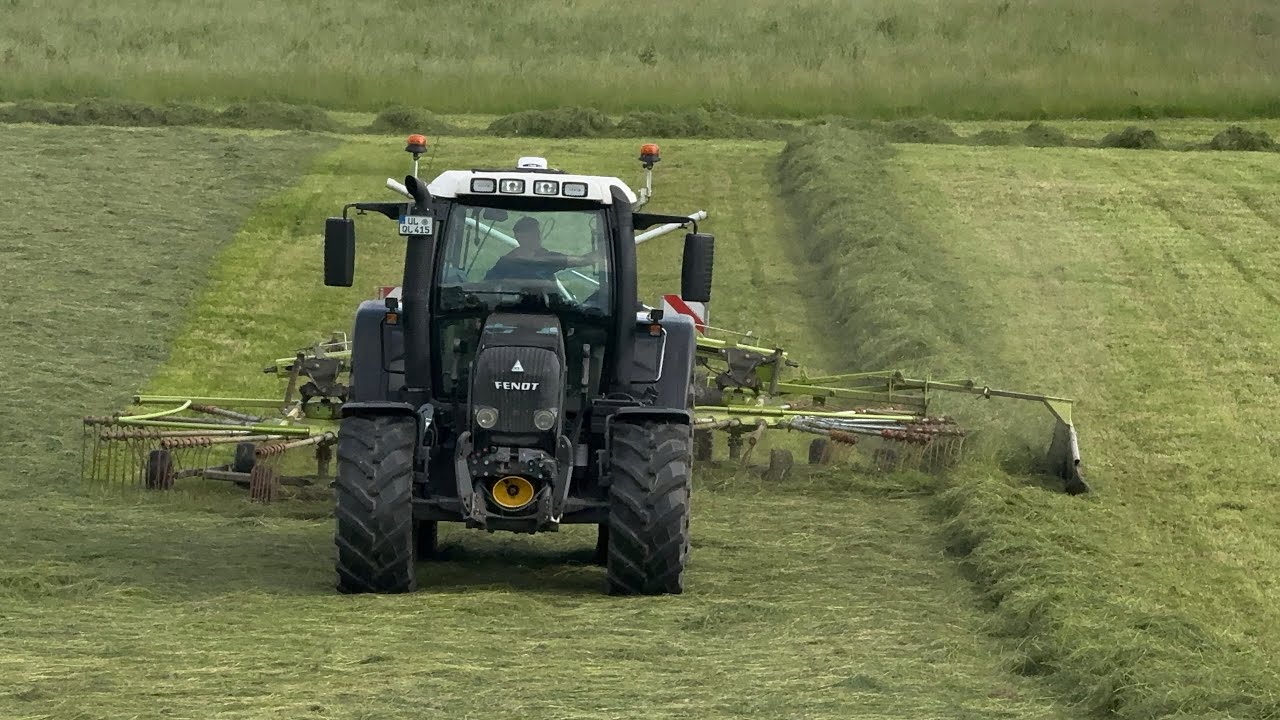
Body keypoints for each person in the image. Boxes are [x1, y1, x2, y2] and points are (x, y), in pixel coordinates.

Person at [485, 216, 595, 283]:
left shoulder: (548, 258)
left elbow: (581, 261)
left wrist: (600, 254)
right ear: (519, 238)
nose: (538, 237)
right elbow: (487, 286)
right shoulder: (506, 263)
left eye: (538, 234)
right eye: (533, 235)